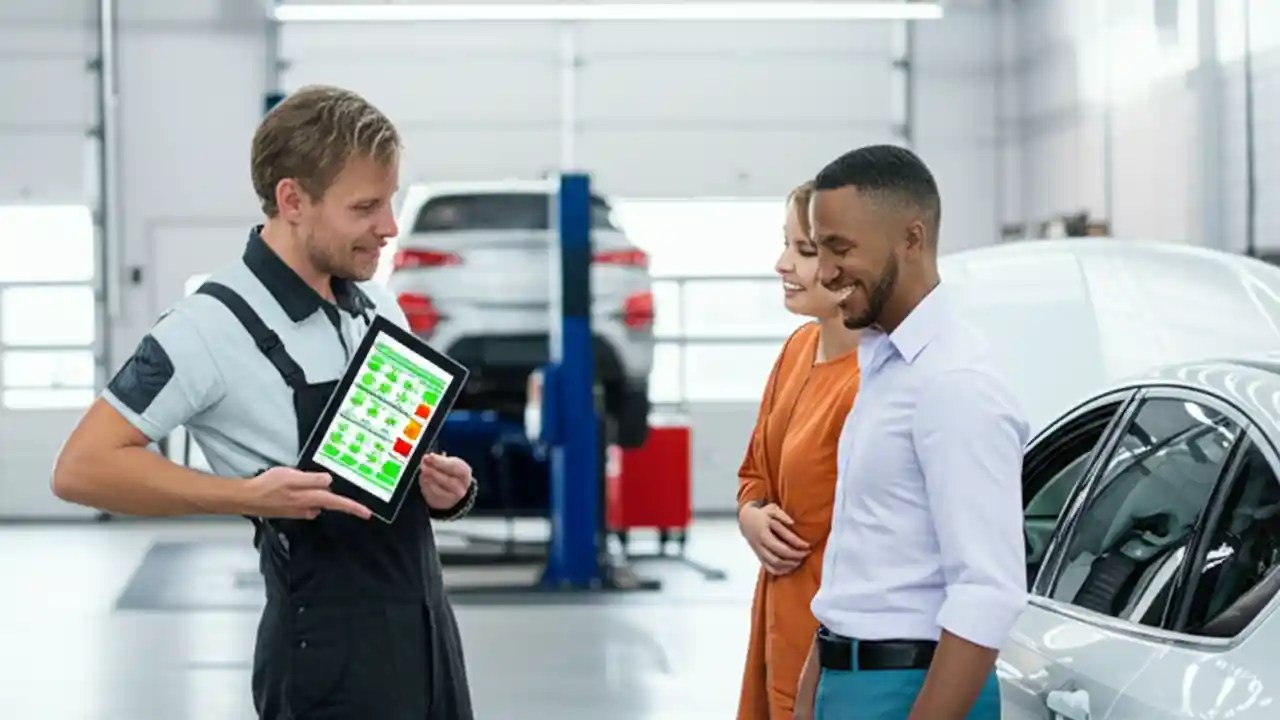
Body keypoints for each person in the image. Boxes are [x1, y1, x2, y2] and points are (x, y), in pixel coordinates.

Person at [52, 85, 477, 720]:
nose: (389, 227)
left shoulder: (377, 305)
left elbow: (389, 469)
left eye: (391, 202)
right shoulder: (206, 327)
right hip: (325, 660)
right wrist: (243, 497)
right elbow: (80, 467)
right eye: (366, 207)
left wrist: (446, 489)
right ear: (292, 200)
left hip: (428, 636)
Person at [793, 145, 1029, 720]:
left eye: (841, 249)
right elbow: (859, 574)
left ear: (912, 239)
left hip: (912, 693)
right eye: (819, 249)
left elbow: (986, 592)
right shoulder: (886, 367)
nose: (825, 273)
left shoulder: (955, 383)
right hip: (848, 682)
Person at [735, 181, 861, 719]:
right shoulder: (797, 349)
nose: (781, 264)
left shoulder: (872, 385)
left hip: (831, 646)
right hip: (774, 629)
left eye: (803, 251)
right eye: (787, 244)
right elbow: (754, 470)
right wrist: (750, 515)